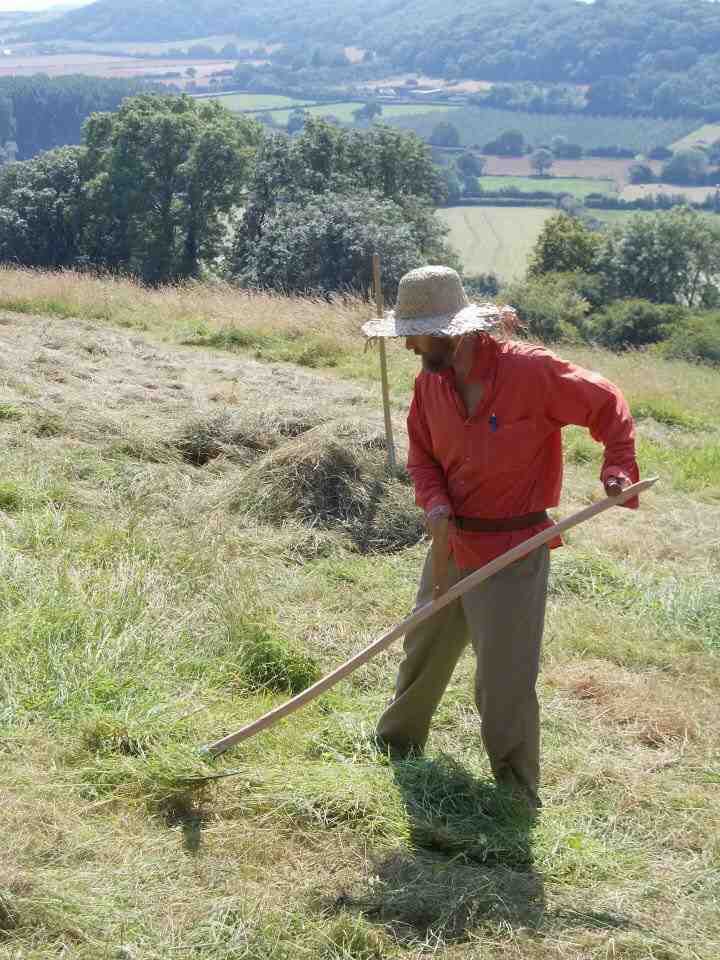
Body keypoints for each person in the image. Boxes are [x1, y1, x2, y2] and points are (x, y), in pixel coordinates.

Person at [362, 265, 639, 808]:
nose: (411, 346)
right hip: (451, 542)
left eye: (417, 334)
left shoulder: (530, 373)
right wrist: (435, 503)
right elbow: (421, 457)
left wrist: (617, 468)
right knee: (424, 648)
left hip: (513, 549)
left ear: (452, 330)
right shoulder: (429, 384)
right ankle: (397, 745)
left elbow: (606, 403)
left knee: (504, 678)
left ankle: (514, 791)